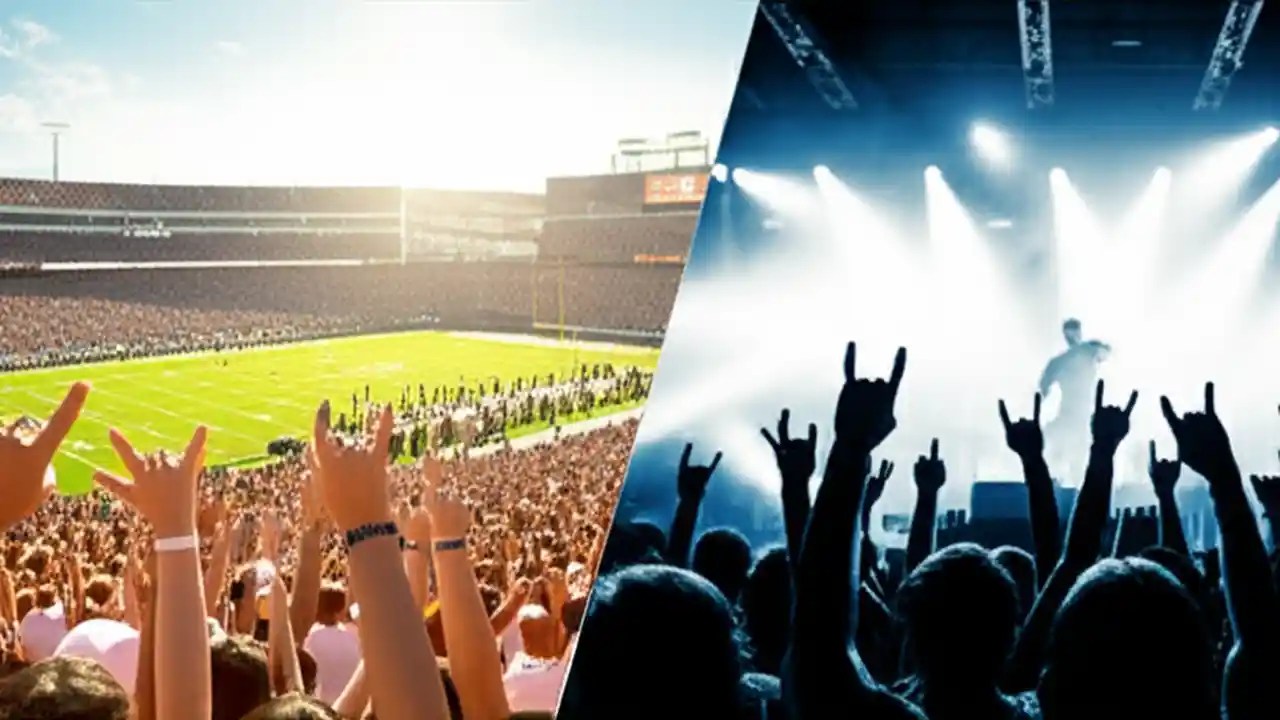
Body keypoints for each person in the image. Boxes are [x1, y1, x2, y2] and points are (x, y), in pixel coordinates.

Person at [1039, 319, 1110, 481]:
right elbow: (1043, 388)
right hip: (1070, 412)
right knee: (1061, 449)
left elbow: (1108, 352)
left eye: (1074, 332)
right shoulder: (1061, 361)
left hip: (1086, 412)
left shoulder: (1088, 351)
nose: (1071, 336)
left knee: (1079, 454)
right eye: (1068, 333)